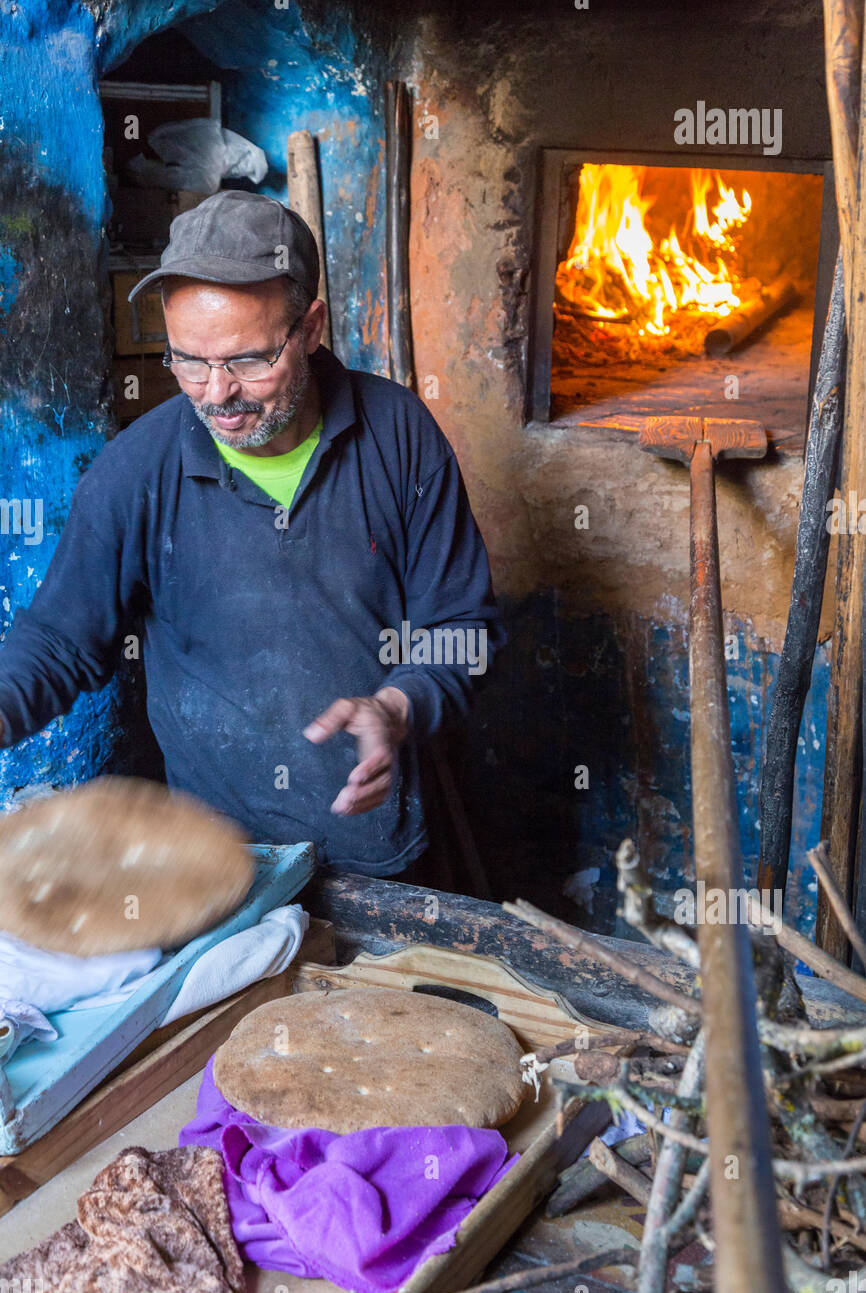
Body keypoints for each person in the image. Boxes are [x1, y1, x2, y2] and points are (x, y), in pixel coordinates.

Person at [0, 190, 501, 877]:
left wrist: (398, 705)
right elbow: (60, 639)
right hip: (217, 867)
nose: (214, 393)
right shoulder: (139, 468)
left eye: (247, 360)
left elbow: (462, 627)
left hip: (377, 852)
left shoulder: (398, 434)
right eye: (187, 360)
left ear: (312, 325)